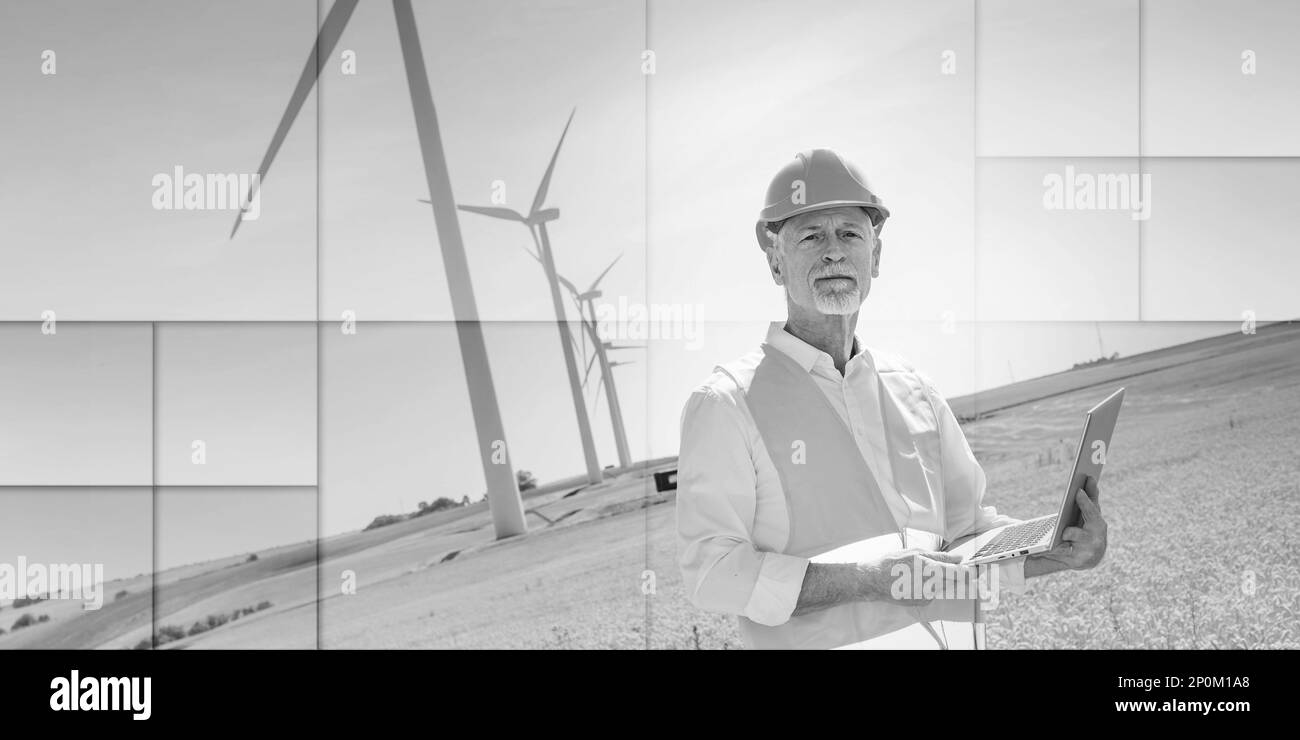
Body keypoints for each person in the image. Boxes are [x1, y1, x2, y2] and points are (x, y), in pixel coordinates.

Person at [675, 149, 1107, 649]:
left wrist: (1059, 550)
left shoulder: (915, 389)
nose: (833, 252)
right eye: (811, 236)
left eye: (850, 234)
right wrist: (866, 579)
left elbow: (968, 538)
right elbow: (713, 573)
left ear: (874, 257)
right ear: (775, 260)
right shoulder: (727, 404)